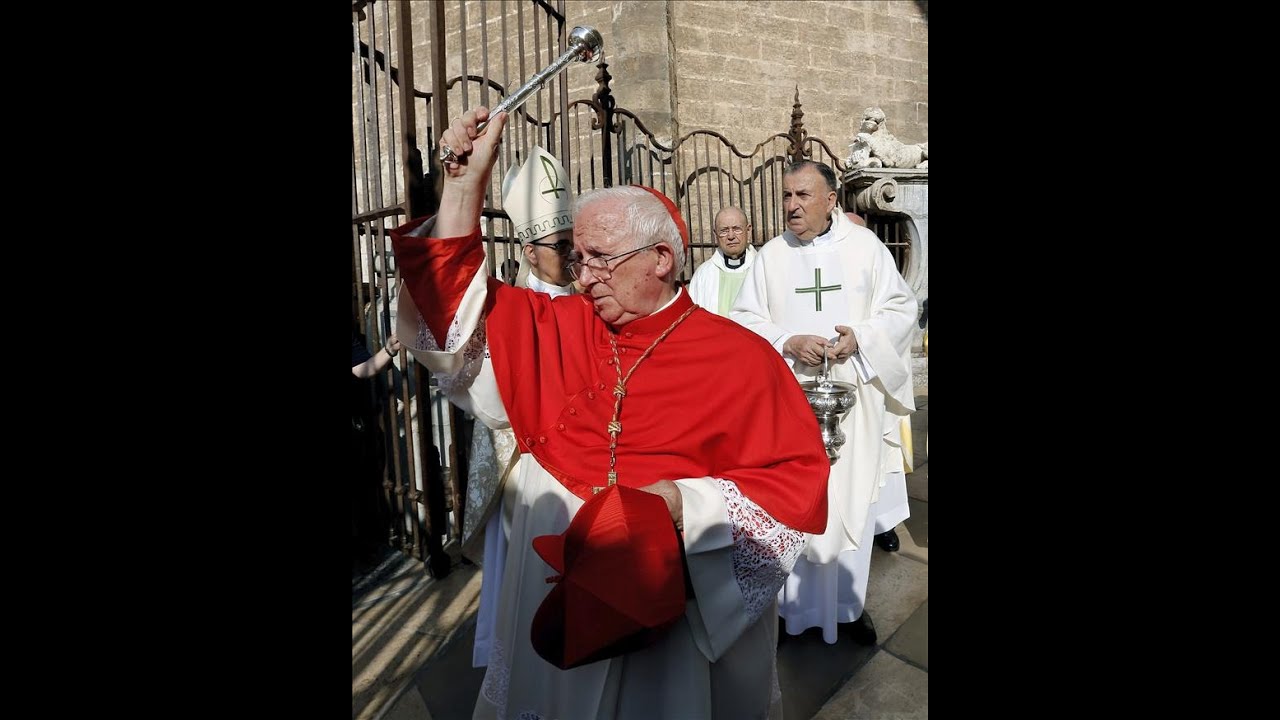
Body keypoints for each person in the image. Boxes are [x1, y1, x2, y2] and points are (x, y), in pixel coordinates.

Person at [390, 106, 830, 719]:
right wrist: (464, 187)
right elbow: (449, 315)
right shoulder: (558, 324)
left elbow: (794, 488)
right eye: (578, 258)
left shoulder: (745, 359)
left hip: (674, 605)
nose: (582, 275)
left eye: (599, 258)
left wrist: (683, 505)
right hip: (557, 590)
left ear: (660, 260)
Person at [731, 160, 917, 645]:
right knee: (794, 504)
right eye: (787, 195)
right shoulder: (770, 257)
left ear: (831, 199)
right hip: (789, 406)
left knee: (848, 499)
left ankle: (848, 609)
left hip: (852, 404)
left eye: (803, 195)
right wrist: (788, 341)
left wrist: (862, 337)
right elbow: (743, 323)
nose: (792, 206)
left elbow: (901, 309)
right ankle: (792, 615)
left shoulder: (866, 249)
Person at [462, 145, 578, 669]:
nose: (575, 256)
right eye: (562, 246)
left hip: (582, 468)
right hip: (526, 466)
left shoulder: (588, 300)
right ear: (530, 251)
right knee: (524, 578)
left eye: (578, 244)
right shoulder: (506, 311)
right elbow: (482, 396)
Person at [843, 211, 912, 553]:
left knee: (881, 454)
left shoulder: (874, 260)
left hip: (871, 373)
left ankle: (882, 524)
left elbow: (900, 312)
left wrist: (864, 338)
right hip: (834, 375)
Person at [687, 205, 757, 317]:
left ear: (748, 230)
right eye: (724, 231)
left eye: (736, 229)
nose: (730, 236)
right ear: (715, 234)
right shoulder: (703, 274)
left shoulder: (761, 269)